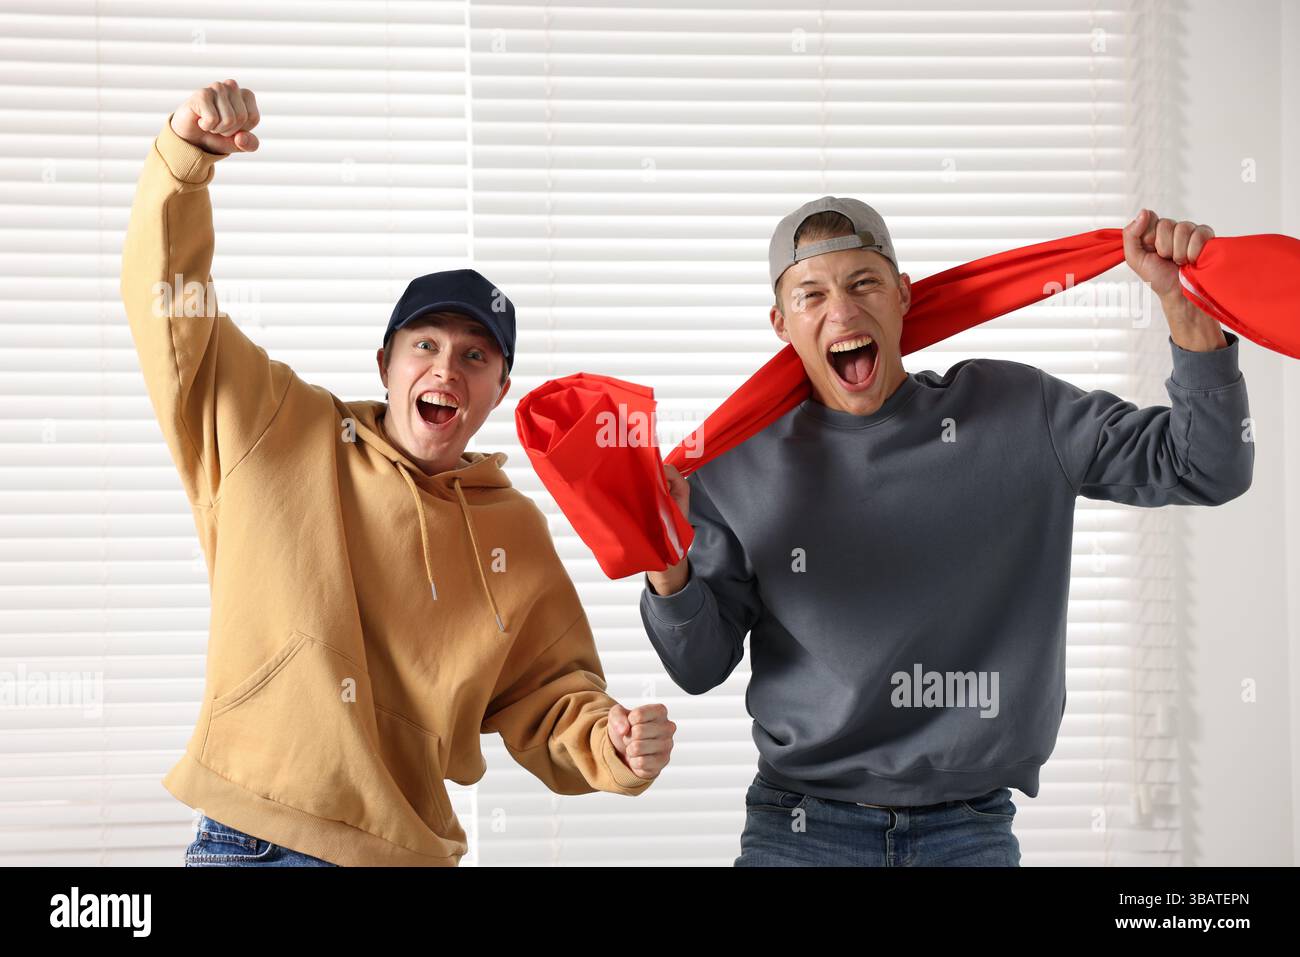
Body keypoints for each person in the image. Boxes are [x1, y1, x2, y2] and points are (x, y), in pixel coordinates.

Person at [121, 78, 674, 867]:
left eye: (474, 355)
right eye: (425, 344)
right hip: (251, 839)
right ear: (385, 362)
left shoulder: (513, 529)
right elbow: (171, 314)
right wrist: (185, 164)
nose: (447, 365)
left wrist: (613, 743)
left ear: (498, 390)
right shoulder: (278, 426)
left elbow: (551, 700)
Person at [639, 196, 1253, 866]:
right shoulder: (733, 467)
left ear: (904, 295)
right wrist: (664, 559)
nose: (841, 312)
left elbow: (1207, 467)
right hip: (800, 829)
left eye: (863, 283)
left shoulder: (1020, 414)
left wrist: (1184, 306)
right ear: (781, 324)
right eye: (811, 295)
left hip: (969, 831)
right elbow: (698, 666)